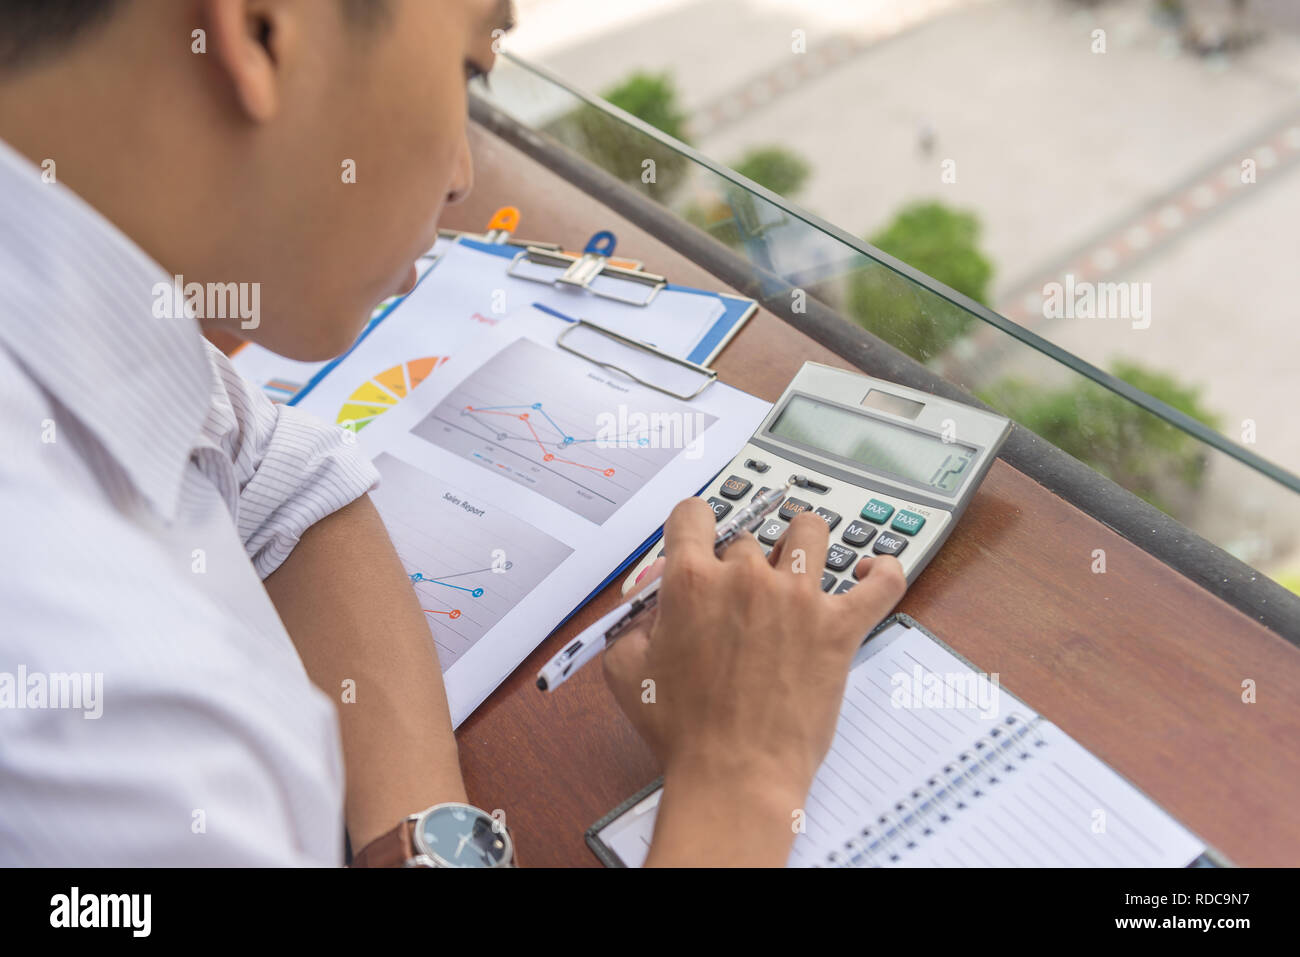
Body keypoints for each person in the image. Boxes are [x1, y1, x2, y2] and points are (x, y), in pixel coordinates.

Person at [0, 0, 906, 867]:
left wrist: (431, 847)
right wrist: (745, 772)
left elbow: (285, 479)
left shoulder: (84, 312)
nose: (462, 174)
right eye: (469, 68)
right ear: (265, 31)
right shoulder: (101, 724)